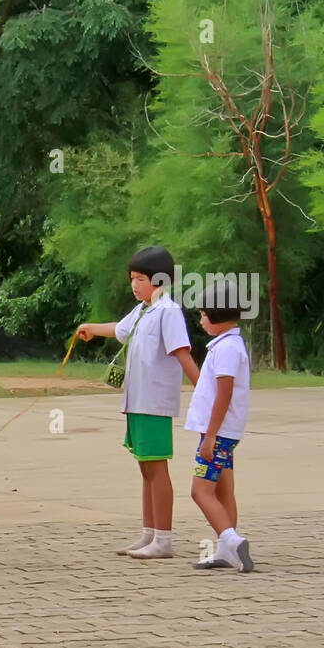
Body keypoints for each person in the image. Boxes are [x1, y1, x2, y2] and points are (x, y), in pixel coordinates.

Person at [76, 245, 199, 559]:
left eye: (140, 278)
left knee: (157, 468)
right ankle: (149, 533)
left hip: (154, 402)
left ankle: (164, 539)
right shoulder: (144, 309)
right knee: (146, 469)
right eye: (132, 278)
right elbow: (119, 330)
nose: (134, 284)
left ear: (159, 279)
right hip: (137, 401)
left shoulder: (167, 311)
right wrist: (90, 328)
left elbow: (181, 352)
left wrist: (203, 388)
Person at [186, 277, 254, 572]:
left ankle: (232, 539)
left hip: (218, 434)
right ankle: (227, 550)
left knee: (200, 491)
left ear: (216, 316)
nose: (200, 319)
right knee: (224, 490)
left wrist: (210, 436)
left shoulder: (227, 348)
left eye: (203, 314)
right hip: (224, 433)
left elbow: (224, 393)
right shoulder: (229, 344)